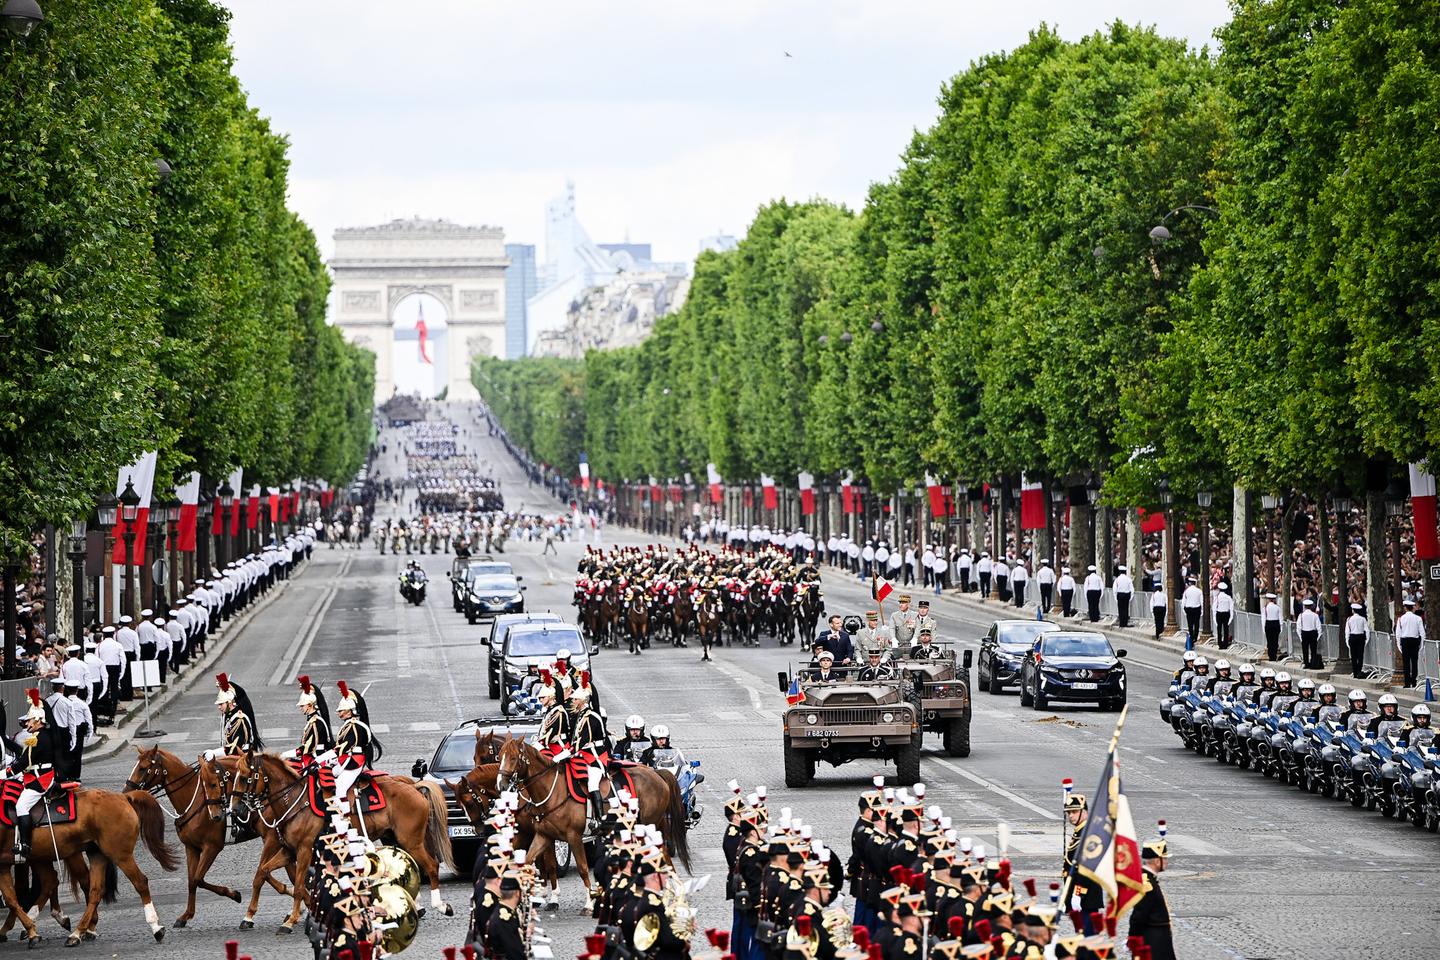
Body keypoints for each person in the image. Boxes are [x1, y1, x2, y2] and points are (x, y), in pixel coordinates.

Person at [11, 689, 59, 864]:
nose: (27, 723)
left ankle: (25, 844)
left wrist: (6, 773)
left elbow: (22, 763)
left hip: (42, 779)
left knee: (21, 806)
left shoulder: (38, 739)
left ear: (39, 721)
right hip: (35, 775)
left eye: (30, 720)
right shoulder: (39, 735)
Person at [1127, 831, 1175, 960]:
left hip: (1158, 939)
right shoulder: (1146, 883)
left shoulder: (1149, 879)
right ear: (1156, 861)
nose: (1166, 861)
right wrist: (1133, 938)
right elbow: (1139, 914)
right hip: (1153, 942)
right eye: (1164, 858)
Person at [332, 680, 379, 808]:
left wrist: (321, 758)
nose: (339, 713)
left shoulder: (355, 727)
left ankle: (344, 820)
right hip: (346, 759)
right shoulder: (347, 725)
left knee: (340, 787)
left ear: (350, 711)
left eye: (342, 710)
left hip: (354, 761)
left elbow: (342, 748)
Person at [215, 673, 261, 755]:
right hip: (233, 756)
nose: (219, 707)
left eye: (221, 704)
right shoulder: (228, 715)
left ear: (229, 703)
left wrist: (216, 753)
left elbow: (237, 747)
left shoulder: (239, 719)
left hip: (242, 758)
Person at [292, 675, 333, 763]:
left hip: (317, 758)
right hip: (313, 755)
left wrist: (285, 755)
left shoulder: (316, 722)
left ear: (310, 705)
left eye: (302, 705)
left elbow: (308, 747)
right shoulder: (312, 720)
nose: (301, 707)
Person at [1395, 599, 1426, 687]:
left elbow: (1398, 634)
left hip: (1405, 641)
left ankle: (1407, 682)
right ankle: (1414, 680)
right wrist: (1421, 645)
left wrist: (1399, 644)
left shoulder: (1401, 619)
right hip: (1414, 641)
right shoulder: (1418, 618)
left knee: (1406, 663)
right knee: (1414, 662)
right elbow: (1422, 633)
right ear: (1412, 608)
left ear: (1405, 608)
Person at [1296, 598, 1322, 670]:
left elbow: (1298, 627)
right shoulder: (1315, 615)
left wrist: (1300, 636)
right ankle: (1313, 663)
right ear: (1311, 606)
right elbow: (1318, 627)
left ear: (1304, 606)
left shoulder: (1301, 615)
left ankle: (1306, 663)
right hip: (1313, 633)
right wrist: (1318, 636)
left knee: (1305, 649)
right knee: (1313, 649)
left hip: (1304, 633)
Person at [1344, 603, 1369, 679]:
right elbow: (1366, 630)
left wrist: (1347, 640)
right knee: (1360, 655)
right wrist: (1367, 640)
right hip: (1361, 637)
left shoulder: (1349, 619)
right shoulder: (1363, 619)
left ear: (1353, 610)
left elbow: (1347, 631)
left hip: (1353, 637)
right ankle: (1359, 671)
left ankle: (1355, 672)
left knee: (1353, 656)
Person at [1181, 577, 1203, 650]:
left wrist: (1184, 610)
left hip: (1189, 609)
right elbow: (1201, 601)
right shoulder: (1199, 591)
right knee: (1196, 624)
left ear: (1190, 583)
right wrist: (1202, 610)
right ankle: (1195, 638)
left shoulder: (1187, 591)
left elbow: (1183, 601)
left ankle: (1190, 637)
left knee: (1190, 624)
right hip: (1197, 608)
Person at [1213, 582, 1234, 649]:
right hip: (1226, 614)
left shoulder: (1217, 597)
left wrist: (1214, 616)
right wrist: (1231, 617)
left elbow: (1214, 607)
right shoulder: (1228, 597)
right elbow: (1231, 608)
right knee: (1226, 629)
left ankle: (1220, 643)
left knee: (1219, 629)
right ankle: (1225, 644)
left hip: (1219, 613)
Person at [1262, 592, 1282, 661]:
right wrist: (1281, 627)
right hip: (1276, 623)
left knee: (1269, 641)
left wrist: (1263, 627)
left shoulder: (1265, 608)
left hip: (1268, 623)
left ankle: (1271, 656)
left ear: (1268, 599)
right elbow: (1280, 618)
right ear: (1273, 600)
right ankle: (1274, 654)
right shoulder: (1277, 607)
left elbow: (1263, 618)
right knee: (1275, 640)